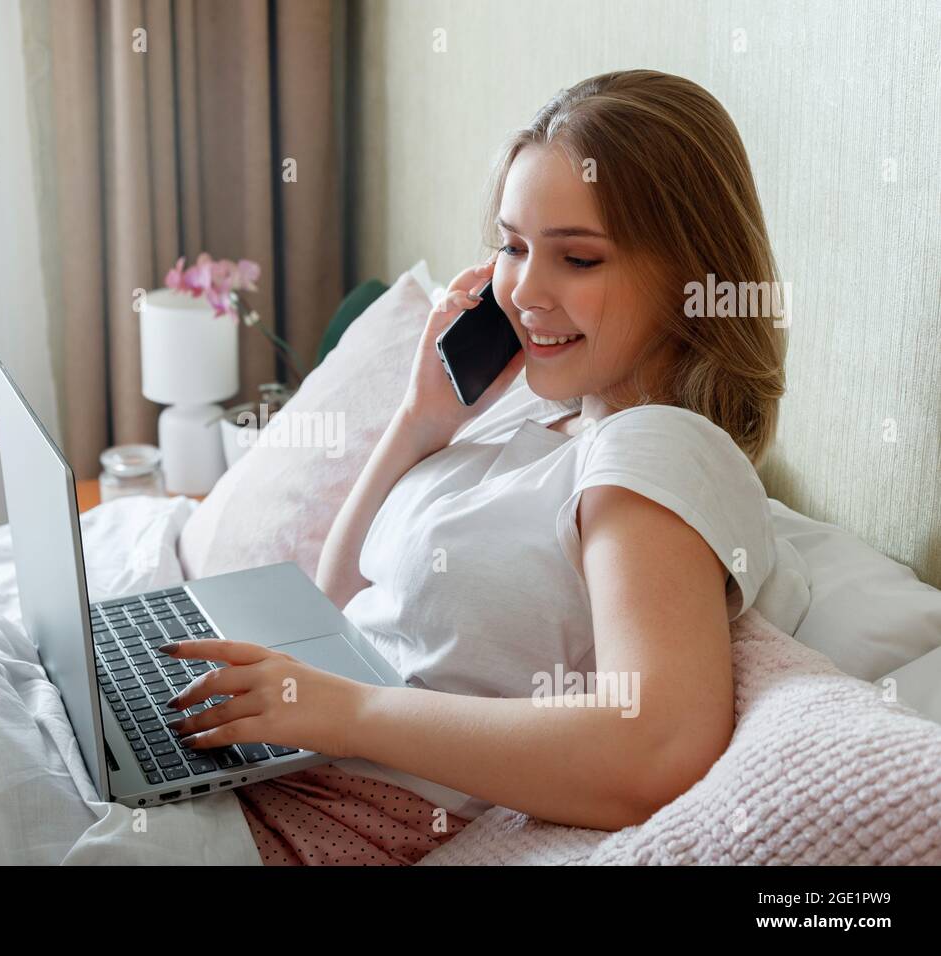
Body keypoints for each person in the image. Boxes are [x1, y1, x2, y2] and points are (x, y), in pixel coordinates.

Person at [152, 69, 786, 865]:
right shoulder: (538, 406)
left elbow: (655, 745)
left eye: (578, 259)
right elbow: (336, 601)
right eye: (513, 246)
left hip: (339, 812)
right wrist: (420, 423)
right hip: (287, 772)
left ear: (693, 279)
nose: (523, 291)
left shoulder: (654, 446)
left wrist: (346, 713)